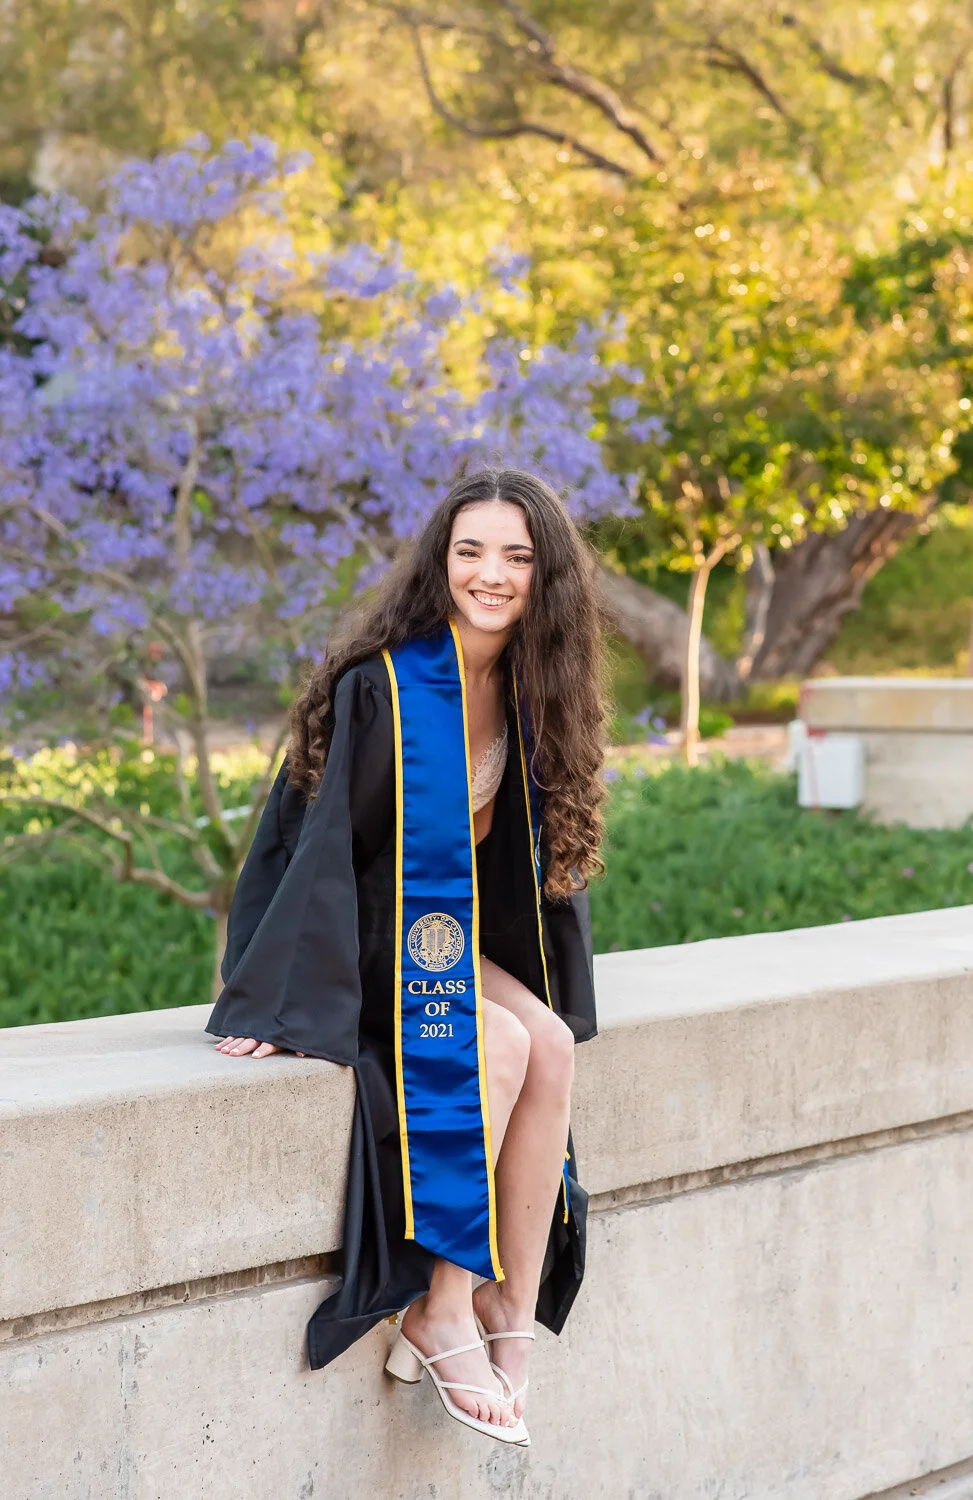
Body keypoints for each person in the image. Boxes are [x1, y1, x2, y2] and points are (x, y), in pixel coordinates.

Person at [206, 467, 606, 1446]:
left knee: (546, 1041)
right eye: (470, 550)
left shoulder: (532, 690)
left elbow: (525, 868)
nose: (491, 573)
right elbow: (301, 846)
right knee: (498, 1049)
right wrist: (275, 999)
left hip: (439, 936)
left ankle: (506, 1310)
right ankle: (439, 1305)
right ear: (440, 561)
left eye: (516, 555)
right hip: (358, 939)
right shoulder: (382, 684)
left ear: (545, 576)